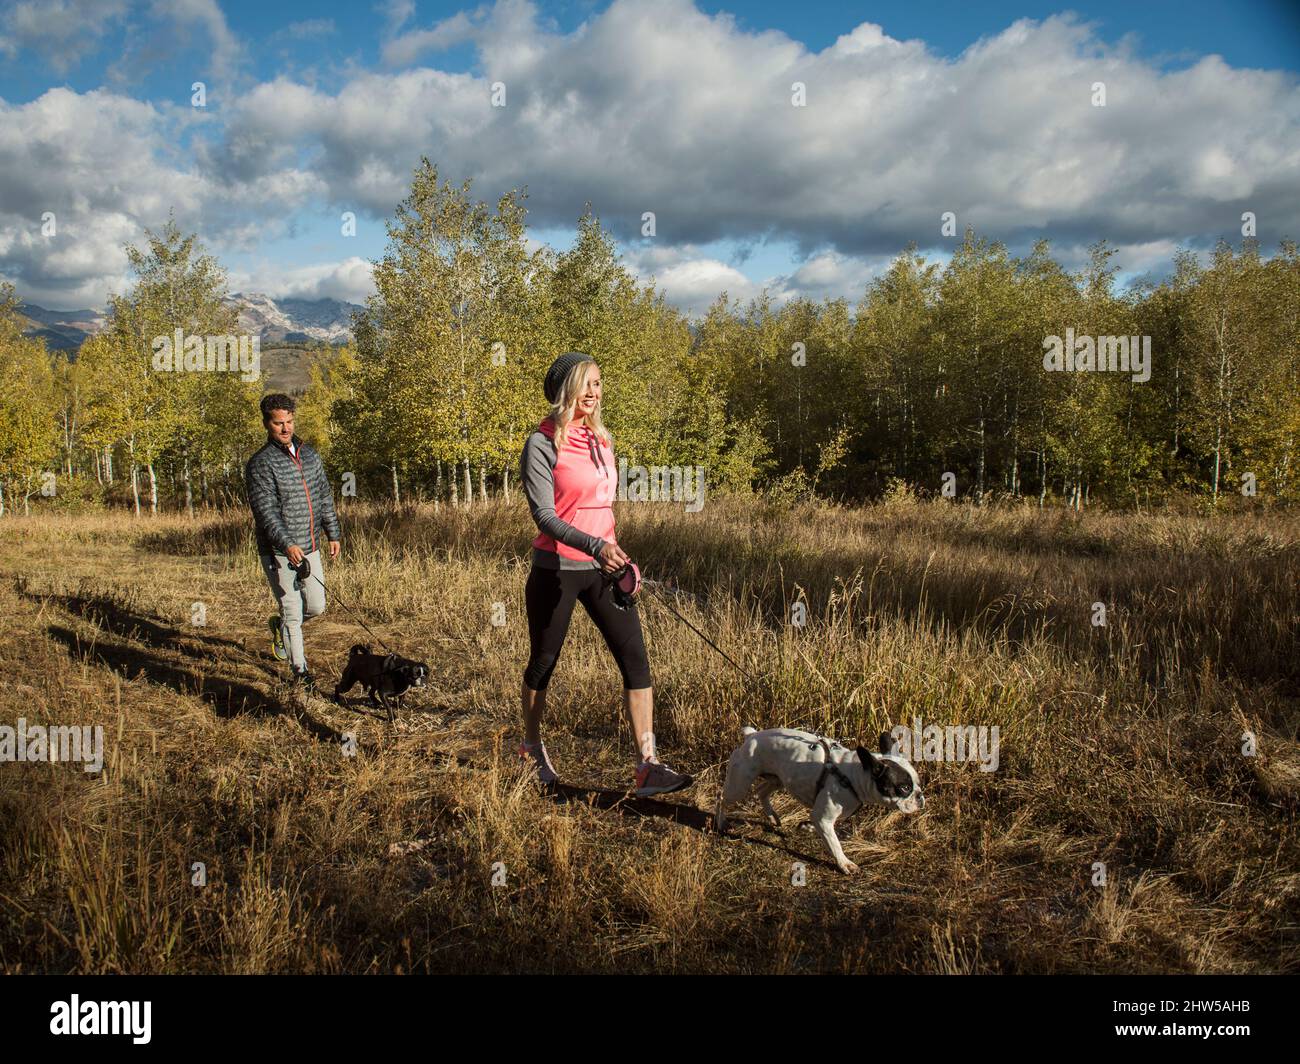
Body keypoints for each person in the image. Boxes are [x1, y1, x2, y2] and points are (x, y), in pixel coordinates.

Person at [519, 351, 692, 797]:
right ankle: (531, 748)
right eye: (586, 383)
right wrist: (595, 545)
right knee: (544, 663)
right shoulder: (540, 444)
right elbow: (545, 516)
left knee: (635, 661)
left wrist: (614, 551)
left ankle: (647, 765)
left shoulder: (602, 441)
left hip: (603, 571)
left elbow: (601, 507)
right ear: (565, 390)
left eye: (599, 383)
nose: (595, 392)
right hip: (555, 568)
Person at [244, 393, 341, 690]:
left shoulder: (310, 455)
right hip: (279, 551)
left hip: (310, 545)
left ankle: (281, 629)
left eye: (289, 422)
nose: (285, 428)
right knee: (292, 610)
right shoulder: (260, 463)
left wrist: (332, 532)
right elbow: (265, 512)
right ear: (266, 424)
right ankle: (300, 672)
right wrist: (286, 544)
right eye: (278, 424)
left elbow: (323, 495)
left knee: (316, 607)